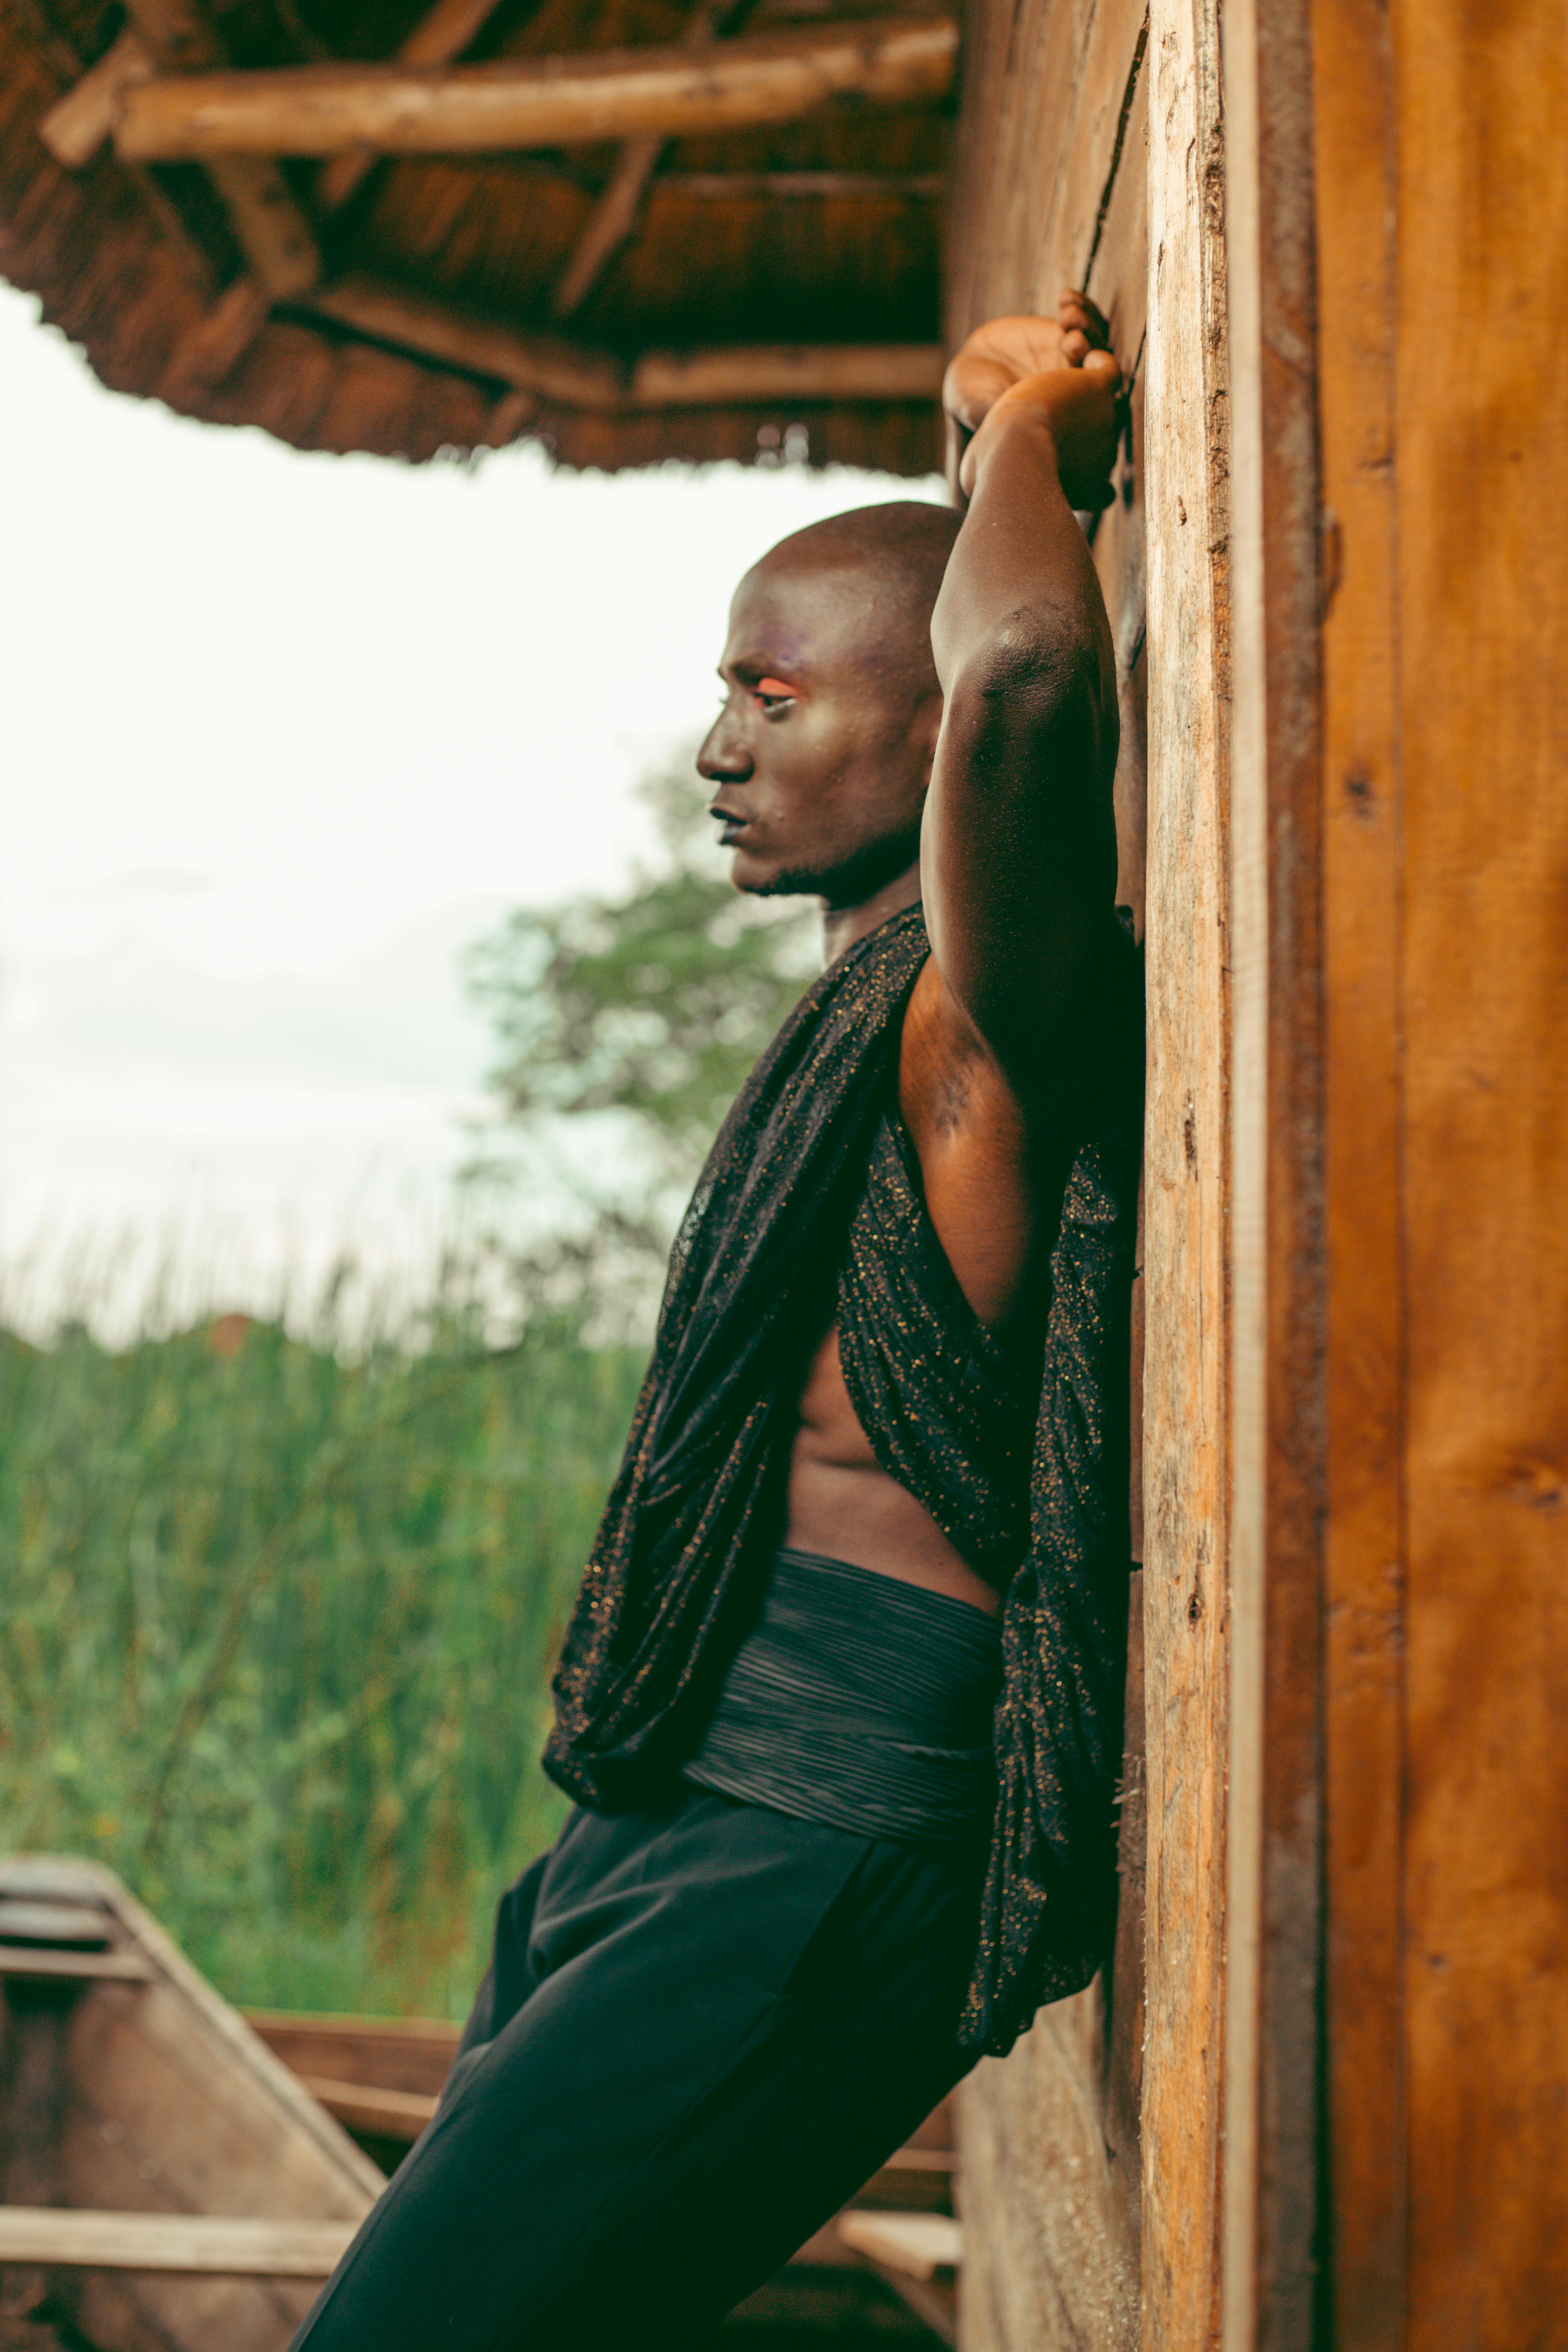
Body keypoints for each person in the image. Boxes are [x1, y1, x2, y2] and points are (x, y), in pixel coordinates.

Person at [289, 294, 1143, 2352]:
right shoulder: (873, 1005)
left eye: (775, 691)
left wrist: (1022, 432)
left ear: (924, 730)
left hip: (820, 1838)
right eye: (724, 694)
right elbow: (984, 654)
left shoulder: (977, 1020)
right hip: (678, 1793)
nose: (718, 747)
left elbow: (1023, 663)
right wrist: (982, 455)